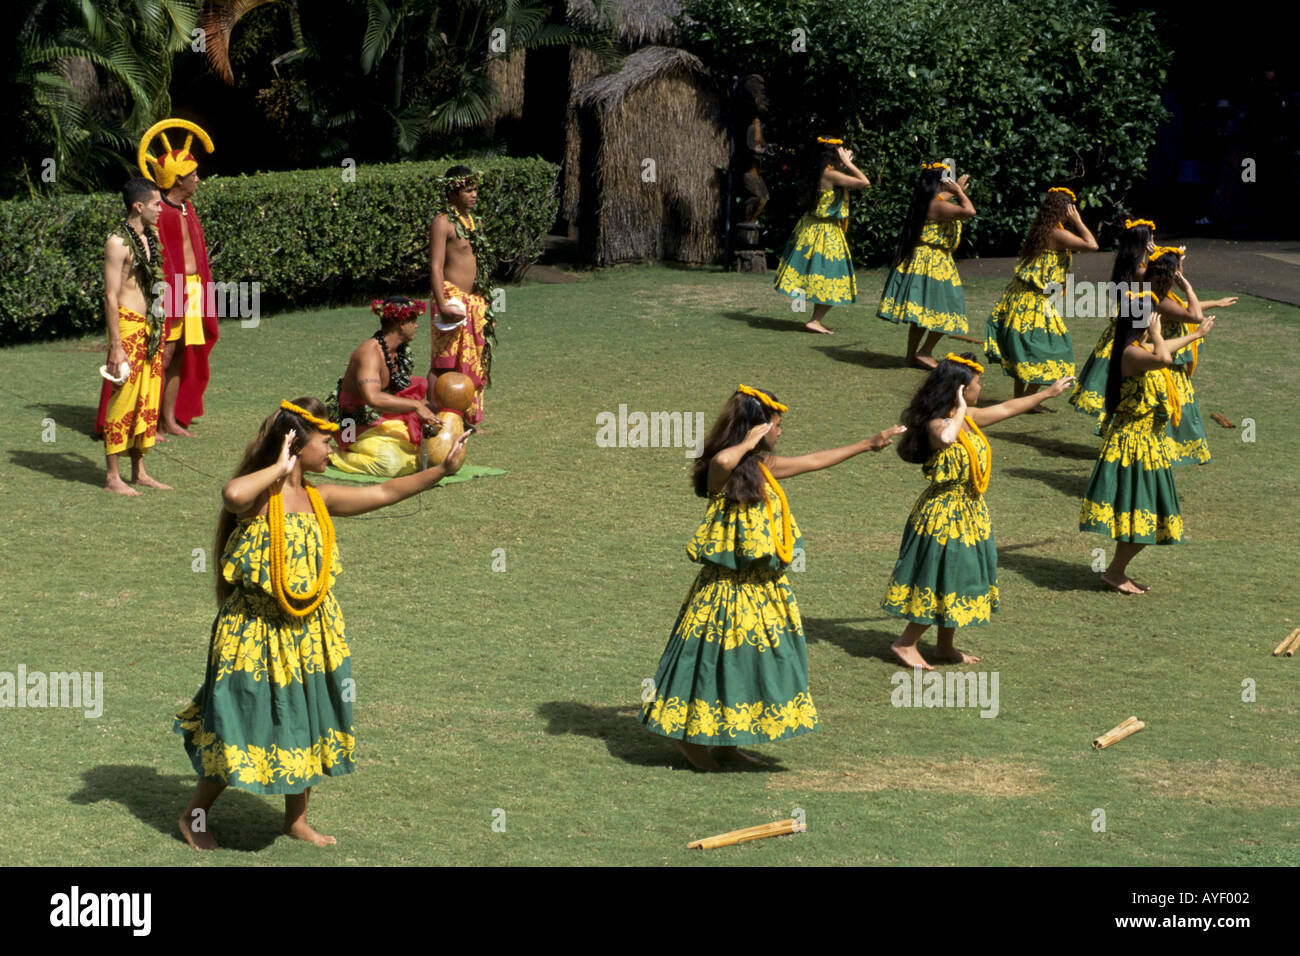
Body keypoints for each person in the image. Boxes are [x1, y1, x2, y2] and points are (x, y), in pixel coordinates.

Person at [174, 397, 470, 850]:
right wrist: (279, 466)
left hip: (311, 631)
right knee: (235, 725)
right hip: (254, 631)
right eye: (326, 442)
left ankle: (296, 819)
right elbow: (232, 495)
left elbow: (384, 493)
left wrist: (441, 472)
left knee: (307, 720)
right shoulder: (259, 498)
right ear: (295, 446)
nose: (334, 449)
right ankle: (194, 817)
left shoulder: (319, 497)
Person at [638, 384, 904, 769]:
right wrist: (747, 441)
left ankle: (727, 743)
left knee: (749, 664)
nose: (780, 433)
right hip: (725, 590)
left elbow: (815, 460)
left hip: (763, 589)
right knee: (714, 661)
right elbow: (724, 463)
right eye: (776, 425)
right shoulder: (723, 472)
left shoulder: (764, 468)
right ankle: (689, 742)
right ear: (756, 429)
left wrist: (867, 444)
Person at [883, 354, 1075, 669]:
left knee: (957, 578)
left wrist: (1046, 393)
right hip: (944, 514)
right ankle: (906, 643)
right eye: (976, 384)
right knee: (942, 576)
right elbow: (947, 437)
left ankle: (945, 646)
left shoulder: (965, 418)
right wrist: (960, 408)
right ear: (959, 390)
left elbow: (1005, 409)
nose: (981, 388)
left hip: (969, 511)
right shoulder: (939, 423)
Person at [1078, 292, 1214, 593]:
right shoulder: (1130, 353)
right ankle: (1115, 572)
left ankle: (1116, 571)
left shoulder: (1137, 348)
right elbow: (1163, 356)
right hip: (1134, 445)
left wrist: (1195, 336)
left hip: (1147, 443)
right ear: (1144, 323)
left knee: (1146, 512)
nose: (1161, 323)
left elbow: (1165, 349)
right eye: (1155, 318)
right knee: (1145, 511)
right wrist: (1156, 333)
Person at [984, 187, 1098, 401]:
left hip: (1020, 296)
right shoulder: (1057, 234)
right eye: (1069, 210)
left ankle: (1022, 399)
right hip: (1034, 301)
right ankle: (1028, 399)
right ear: (1063, 211)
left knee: (1025, 348)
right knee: (1053, 347)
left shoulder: (1041, 229)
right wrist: (1079, 222)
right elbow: (1092, 245)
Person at [100, 178, 170, 496]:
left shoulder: (149, 238)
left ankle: (138, 470)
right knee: (123, 398)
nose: (161, 209)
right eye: (157, 203)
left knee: (147, 400)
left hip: (151, 325)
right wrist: (116, 346)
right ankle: (113, 476)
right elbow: (111, 296)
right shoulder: (118, 243)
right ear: (138, 206)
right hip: (127, 327)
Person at [328, 297, 441, 477]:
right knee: (391, 463)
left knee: (424, 449)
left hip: (380, 420)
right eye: (413, 320)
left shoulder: (398, 352)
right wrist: (416, 406)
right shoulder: (369, 353)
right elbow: (373, 398)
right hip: (351, 426)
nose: (416, 326)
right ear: (401, 323)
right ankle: (333, 455)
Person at [877, 163, 977, 368]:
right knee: (949, 309)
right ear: (940, 183)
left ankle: (910, 356)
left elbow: (939, 200)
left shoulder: (924, 202)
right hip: (935, 263)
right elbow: (969, 211)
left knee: (921, 313)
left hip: (920, 259)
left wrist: (952, 191)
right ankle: (925, 352)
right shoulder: (937, 206)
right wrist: (958, 192)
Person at [772, 137, 871, 334]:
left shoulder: (819, 172)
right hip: (825, 231)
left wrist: (842, 165)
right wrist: (849, 163)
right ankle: (815, 320)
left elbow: (837, 182)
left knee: (821, 276)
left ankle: (815, 320)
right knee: (834, 277)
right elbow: (864, 182)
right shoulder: (830, 174)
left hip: (811, 226)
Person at [1069, 218, 1156, 419]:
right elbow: (1161, 281)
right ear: (1144, 243)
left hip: (1116, 331)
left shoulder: (1124, 265)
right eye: (1151, 238)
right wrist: (1154, 257)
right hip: (1131, 333)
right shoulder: (1141, 271)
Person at [428, 165, 489, 426]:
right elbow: (435, 266)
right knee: (444, 362)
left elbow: (480, 266)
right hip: (449, 298)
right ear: (453, 192)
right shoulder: (443, 222)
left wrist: (486, 306)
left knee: (473, 360)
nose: (474, 194)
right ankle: (431, 413)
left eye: (475, 189)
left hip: (472, 302)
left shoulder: (476, 222)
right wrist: (442, 304)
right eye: (468, 190)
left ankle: (465, 418)